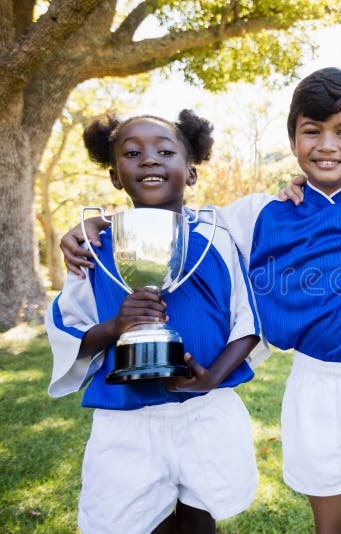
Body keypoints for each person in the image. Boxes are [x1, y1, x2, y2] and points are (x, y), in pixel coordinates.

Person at [61, 68, 341, 534]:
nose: (326, 145)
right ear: (293, 140)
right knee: (334, 527)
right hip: (317, 381)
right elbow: (175, 218)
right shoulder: (260, 213)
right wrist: (98, 226)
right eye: (312, 131)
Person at [46, 110, 262, 534]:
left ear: (192, 172)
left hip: (206, 410)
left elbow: (247, 320)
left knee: (202, 520)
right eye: (132, 152)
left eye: (165, 151)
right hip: (127, 423)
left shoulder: (217, 235)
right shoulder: (92, 247)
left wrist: (210, 378)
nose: (149, 160)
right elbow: (68, 332)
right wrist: (115, 326)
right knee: (140, 523)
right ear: (114, 177)